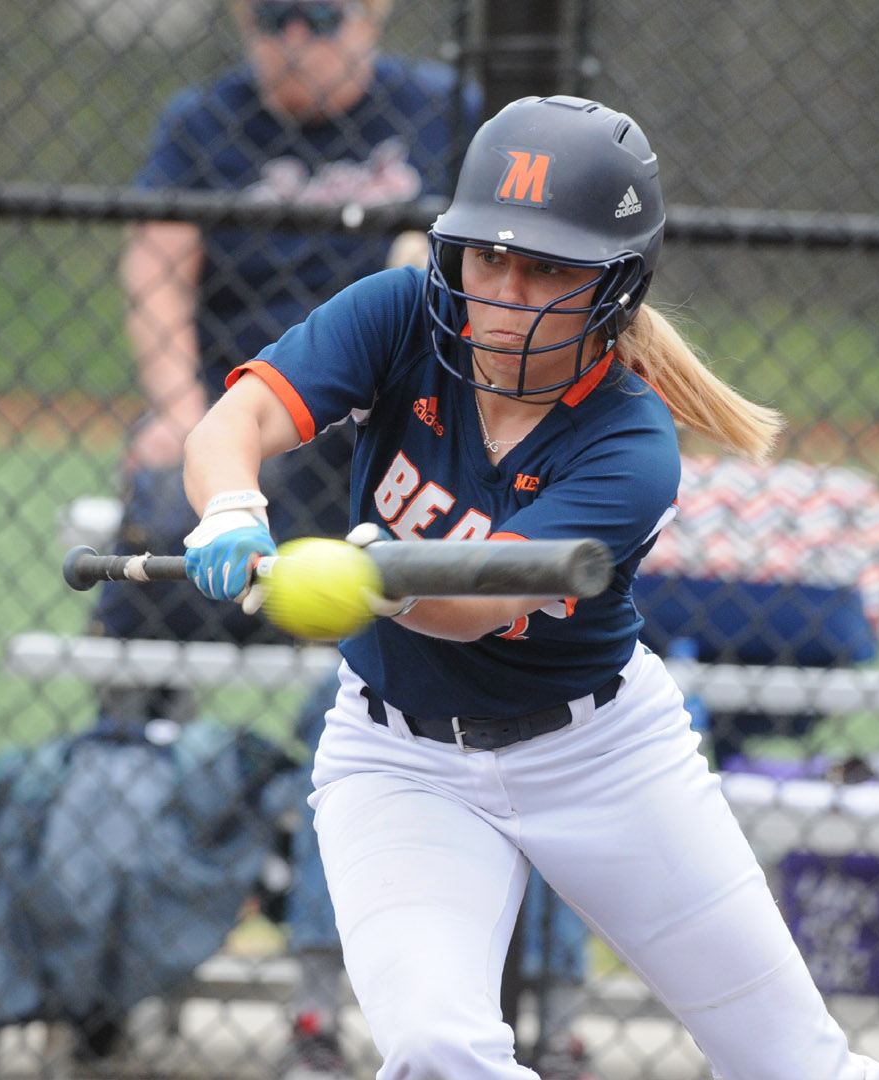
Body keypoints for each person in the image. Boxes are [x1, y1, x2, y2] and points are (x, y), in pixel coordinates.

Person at [177, 94, 879, 1080]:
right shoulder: (401, 317)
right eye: (489, 256)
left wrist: (365, 580)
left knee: (792, 1066)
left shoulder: (630, 443)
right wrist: (229, 510)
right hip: (399, 761)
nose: (507, 291)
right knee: (433, 1051)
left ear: (614, 287)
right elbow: (236, 422)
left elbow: (473, 605)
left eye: (548, 266)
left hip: (601, 755)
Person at [101, 6, 603, 1077]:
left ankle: (542, 1003)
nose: (294, 35)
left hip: (401, 410)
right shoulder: (204, 123)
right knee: (164, 477)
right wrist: (181, 410)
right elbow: (155, 268)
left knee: (524, 679)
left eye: (319, 14)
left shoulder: (440, 111)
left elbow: (470, 274)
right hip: (264, 413)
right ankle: (126, 800)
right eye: (271, 13)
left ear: (371, 11)